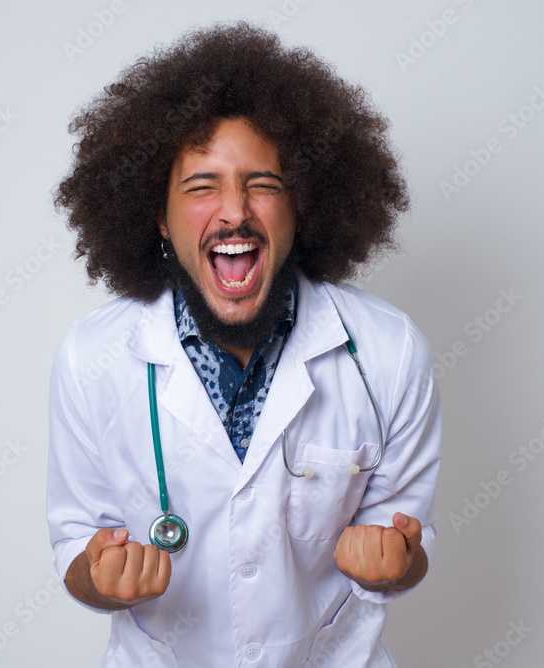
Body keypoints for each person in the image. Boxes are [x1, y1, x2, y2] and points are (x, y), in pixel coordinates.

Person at [47, 21, 442, 667]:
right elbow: (76, 545)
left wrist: (393, 562)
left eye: (263, 183)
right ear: (160, 219)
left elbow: (407, 546)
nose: (234, 211)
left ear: (302, 206)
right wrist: (101, 577)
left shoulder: (387, 351)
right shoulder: (92, 358)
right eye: (202, 186)